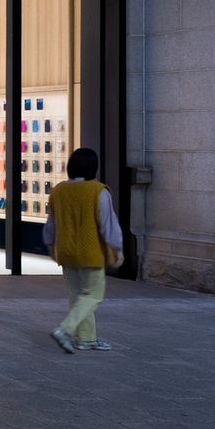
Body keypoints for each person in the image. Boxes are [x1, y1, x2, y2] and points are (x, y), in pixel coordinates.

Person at [43, 146, 125, 353]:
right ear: (94, 168)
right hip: (91, 252)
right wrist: (117, 248)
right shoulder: (98, 191)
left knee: (77, 297)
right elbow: (108, 224)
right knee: (93, 295)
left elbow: (51, 223)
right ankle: (65, 329)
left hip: (66, 251)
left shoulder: (58, 191)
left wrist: (51, 246)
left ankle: (86, 339)